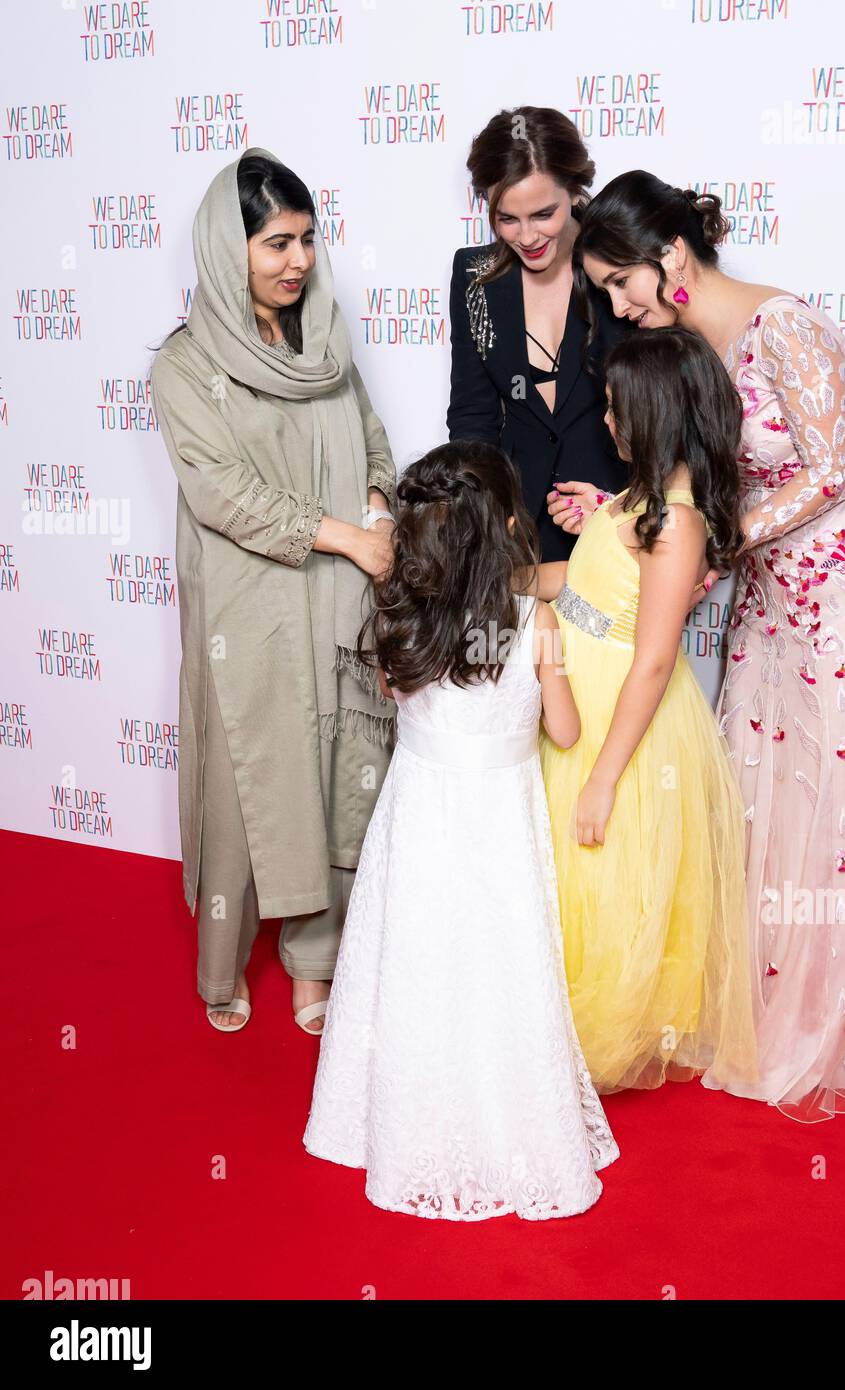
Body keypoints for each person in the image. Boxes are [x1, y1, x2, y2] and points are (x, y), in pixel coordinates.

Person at [557, 170, 845, 1120]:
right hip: (770, 591)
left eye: (618, 283)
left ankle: (827, 1028)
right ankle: (760, 1008)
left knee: (842, 802)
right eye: (604, 290)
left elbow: (833, 473)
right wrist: (633, 520)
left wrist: (704, 541)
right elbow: (690, 486)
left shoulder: (785, 328)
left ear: (670, 256)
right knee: (762, 787)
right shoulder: (689, 350)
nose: (616, 304)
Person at [303, 442, 619, 1220]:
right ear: (509, 525)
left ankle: (400, 1109)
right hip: (499, 828)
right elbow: (567, 733)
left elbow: (398, 694)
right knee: (497, 956)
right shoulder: (535, 618)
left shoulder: (403, 616)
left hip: (417, 818)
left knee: (413, 953)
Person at [151, 148, 398, 1035]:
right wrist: (347, 540)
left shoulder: (324, 344)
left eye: (305, 240)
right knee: (251, 770)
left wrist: (375, 508)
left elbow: (372, 443)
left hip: (342, 593)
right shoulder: (183, 367)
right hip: (249, 600)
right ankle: (223, 965)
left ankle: (314, 963)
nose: (297, 262)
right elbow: (220, 493)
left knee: (340, 773)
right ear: (228, 249)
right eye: (274, 244)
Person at [537, 328, 758, 1096]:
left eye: (614, 406)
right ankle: (544, 1009)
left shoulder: (679, 519)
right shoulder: (634, 497)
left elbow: (656, 658)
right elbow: (584, 579)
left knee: (602, 865)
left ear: (655, 412)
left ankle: (596, 1023)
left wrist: (602, 776)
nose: (604, 419)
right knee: (561, 870)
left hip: (619, 721)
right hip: (575, 689)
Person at [446, 106, 630, 561]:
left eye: (544, 213)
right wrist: (484, 513)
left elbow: (662, 405)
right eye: (507, 218)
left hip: (613, 521)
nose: (527, 236)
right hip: (515, 531)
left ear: (575, 189)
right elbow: (473, 415)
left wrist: (623, 510)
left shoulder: (619, 266)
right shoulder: (474, 275)